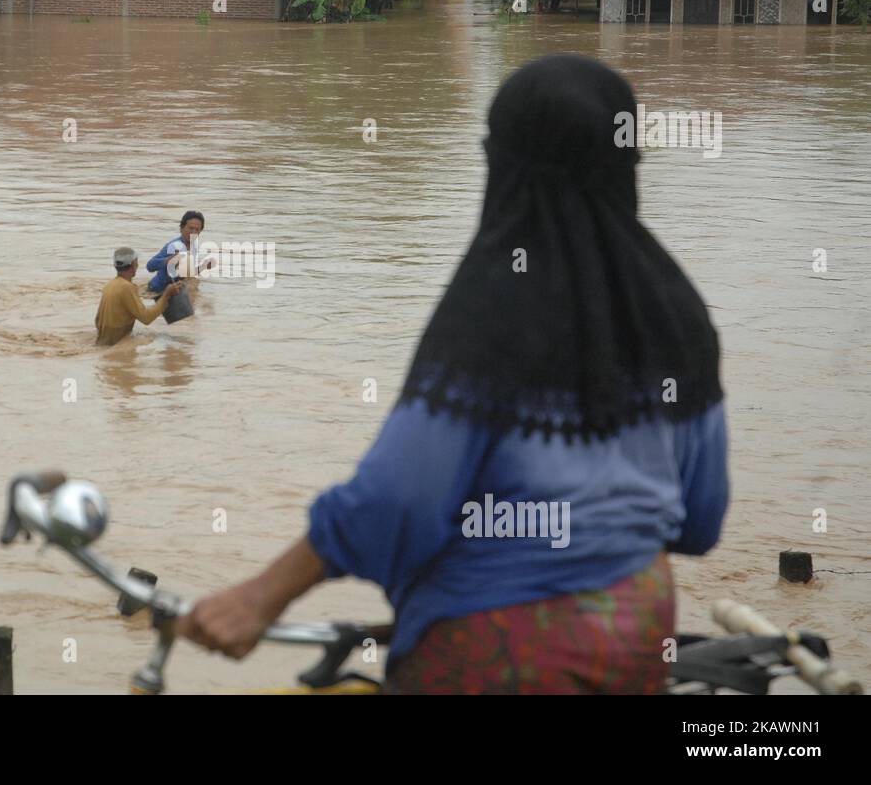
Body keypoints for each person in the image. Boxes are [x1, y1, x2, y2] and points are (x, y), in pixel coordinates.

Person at [177, 54, 729, 694]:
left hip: (501, 651)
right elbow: (701, 522)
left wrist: (260, 596)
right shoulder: (675, 310)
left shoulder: (491, 308)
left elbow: (398, 499)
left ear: (503, 167)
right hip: (639, 633)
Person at [95, 247, 184, 346]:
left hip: (103, 342)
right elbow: (146, 318)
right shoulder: (127, 287)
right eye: (136, 262)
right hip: (115, 344)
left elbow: (97, 320)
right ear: (133, 265)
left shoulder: (109, 285)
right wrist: (166, 295)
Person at [146, 211, 214, 295]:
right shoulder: (173, 245)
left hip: (174, 291)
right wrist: (171, 259)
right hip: (156, 291)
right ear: (181, 228)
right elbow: (149, 266)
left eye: (197, 229)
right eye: (190, 228)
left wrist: (204, 266)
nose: (193, 232)